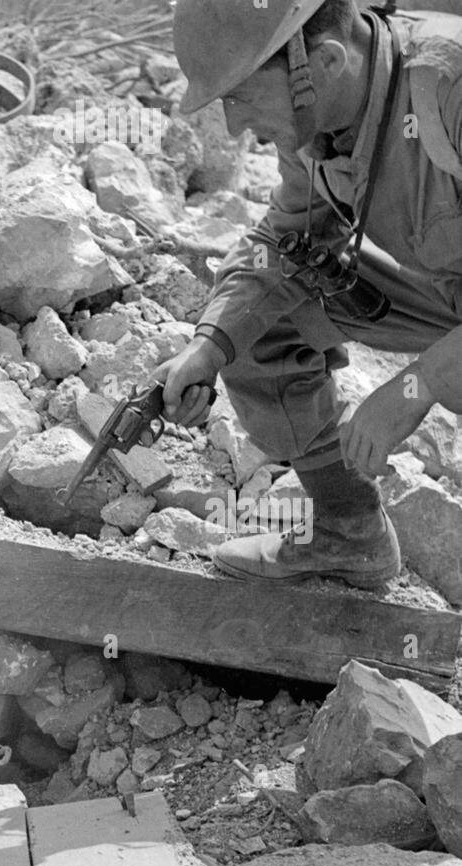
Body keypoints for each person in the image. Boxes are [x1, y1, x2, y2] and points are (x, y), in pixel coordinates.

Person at [154, 0, 462, 587]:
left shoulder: (451, 87)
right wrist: (208, 346)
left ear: (324, 62)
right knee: (258, 320)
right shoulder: (317, 115)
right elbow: (284, 239)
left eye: (241, 97)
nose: (233, 127)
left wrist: (418, 385)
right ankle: (349, 535)